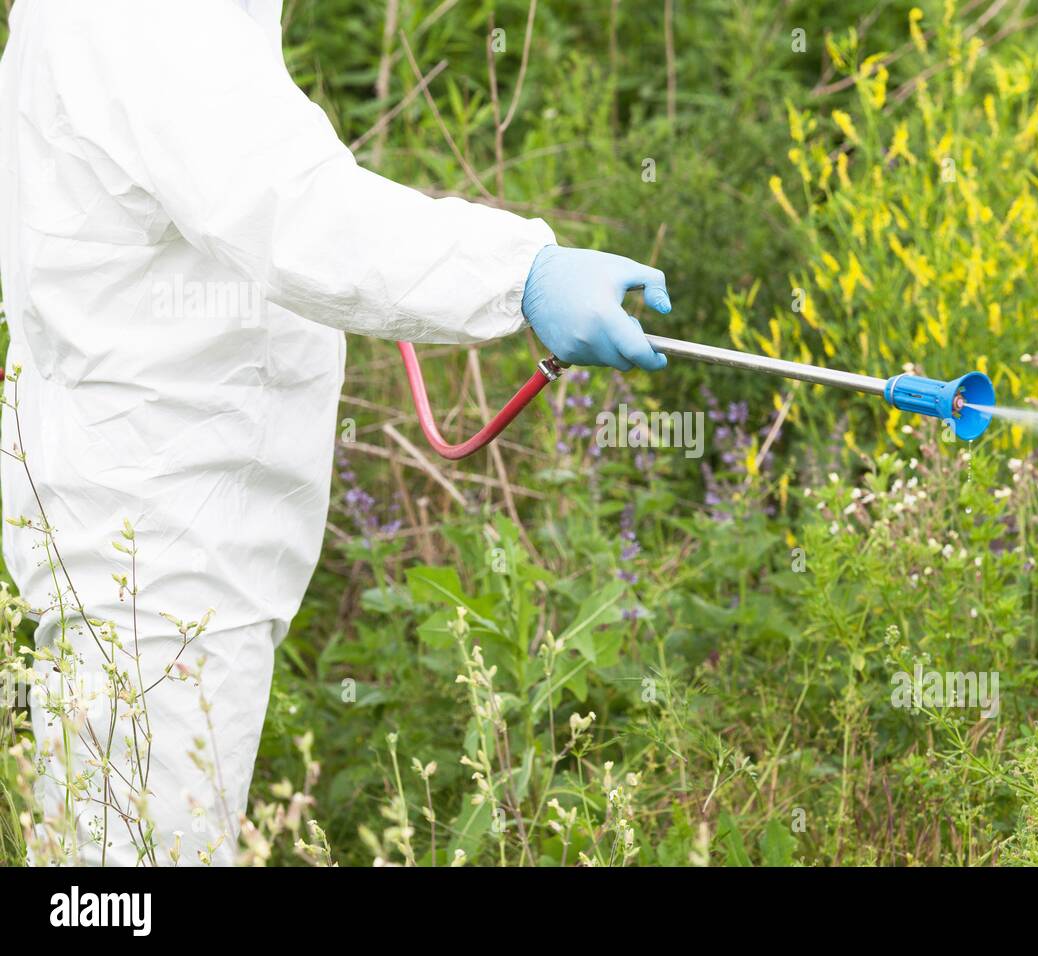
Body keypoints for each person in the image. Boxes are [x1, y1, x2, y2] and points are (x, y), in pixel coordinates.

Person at [0, 0, 669, 865]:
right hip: (153, 549)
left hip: (167, 537)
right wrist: (522, 274)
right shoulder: (152, 16)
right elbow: (300, 216)